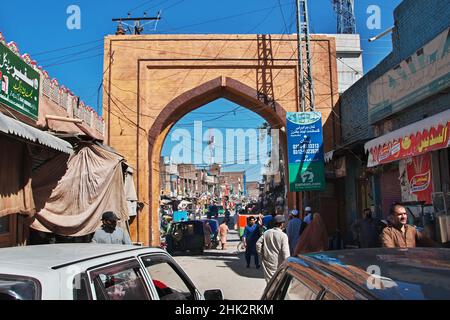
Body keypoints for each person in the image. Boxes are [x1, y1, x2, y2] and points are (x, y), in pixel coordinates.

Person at [256, 215, 290, 283]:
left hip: (267, 260)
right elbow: (285, 252)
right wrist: (288, 263)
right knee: (278, 281)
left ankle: (269, 292)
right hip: (278, 262)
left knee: (269, 281)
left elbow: (258, 244)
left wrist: (261, 254)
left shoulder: (267, 232)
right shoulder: (283, 235)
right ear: (282, 224)